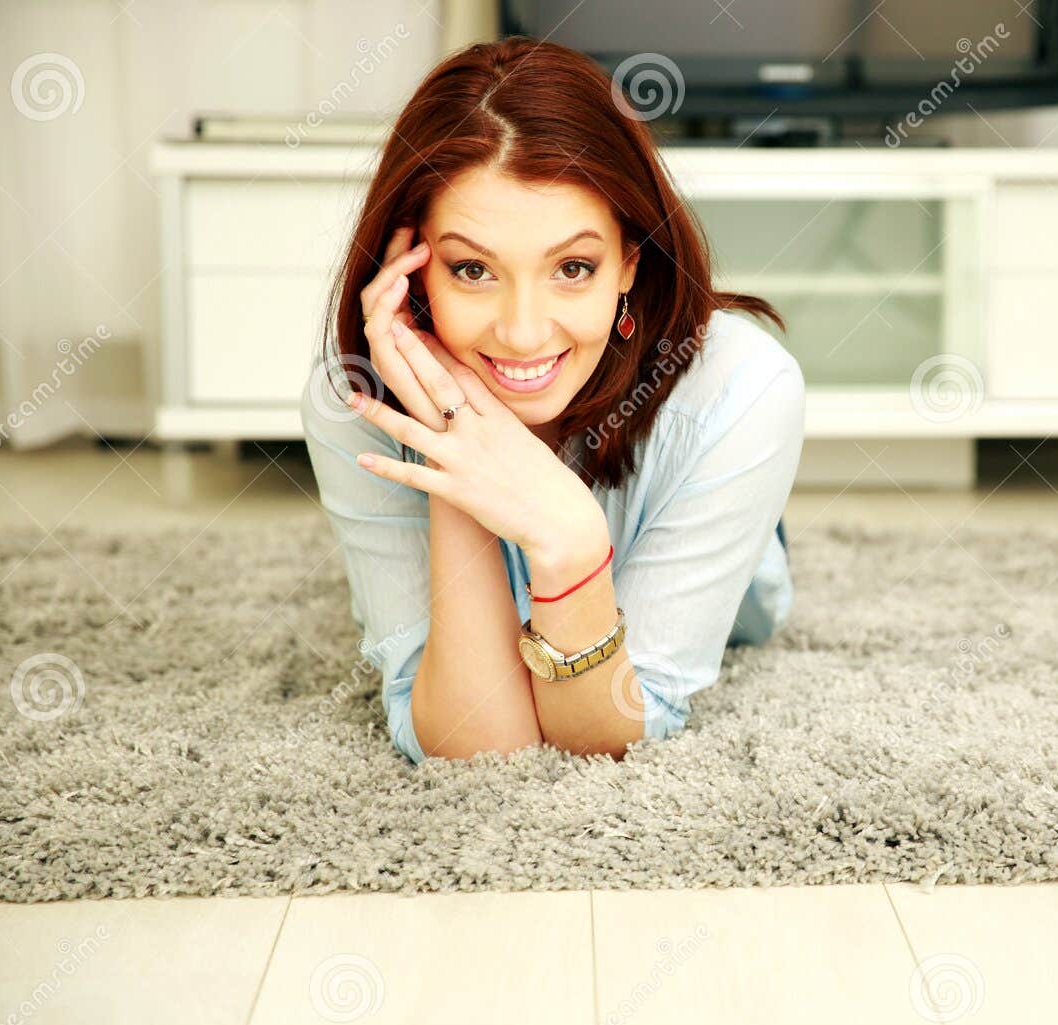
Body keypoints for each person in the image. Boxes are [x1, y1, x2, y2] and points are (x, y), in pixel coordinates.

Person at [299, 37, 804, 765]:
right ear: (410, 276)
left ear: (628, 262)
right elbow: (476, 742)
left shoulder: (746, 389)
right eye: (472, 269)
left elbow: (612, 730)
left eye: (573, 267)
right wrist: (452, 438)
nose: (524, 331)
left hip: (704, 511)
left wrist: (569, 545)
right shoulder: (354, 397)